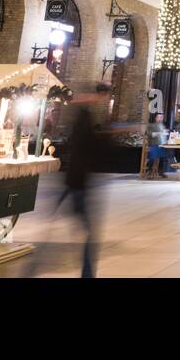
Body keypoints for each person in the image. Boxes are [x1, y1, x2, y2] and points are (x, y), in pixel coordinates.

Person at [58, 90, 105, 278]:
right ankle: (87, 274)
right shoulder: (83, 118)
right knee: (88, 233)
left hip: (76, 180)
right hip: (78, 180)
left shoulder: (82, 118)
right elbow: (90, 145)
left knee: (86, 232)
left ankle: (87, 273)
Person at [145, 113, 171, 179]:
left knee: (164, 156)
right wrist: (160, 133)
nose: (160, 118)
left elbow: (165, 135)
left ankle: (160, 171)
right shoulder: (151, 125)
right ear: (155, 118)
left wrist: (166, 134)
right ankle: (149, 171)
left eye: (161, 117)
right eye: (159, 117)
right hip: (153, 144)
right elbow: (151, 135)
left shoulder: (162, 126)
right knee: (153, 156)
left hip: (161, 144)